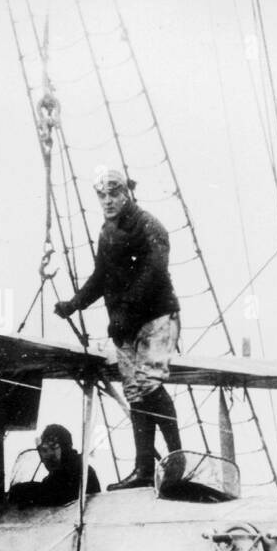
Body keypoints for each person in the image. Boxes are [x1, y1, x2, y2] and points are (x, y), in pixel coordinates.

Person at [54, 167, 182, 490]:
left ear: (127, 193)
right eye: (102, 195)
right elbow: (101, 276)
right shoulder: (107, 233)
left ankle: (177, 457)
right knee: (135, 391)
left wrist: (126, 311)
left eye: (114, 193)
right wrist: (74, 304)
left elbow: (154, 272)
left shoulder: (149, 225)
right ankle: (144, 468)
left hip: (156, 318)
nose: (108, 200)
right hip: (125, 325)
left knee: (149, 383)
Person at [8, 424, 100, 506]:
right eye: (42, 451)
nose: (45, 457)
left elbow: (51, 494)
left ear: (64, 448)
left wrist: (18, 490)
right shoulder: (68, 469)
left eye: (50, 448)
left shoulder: (76, 470)